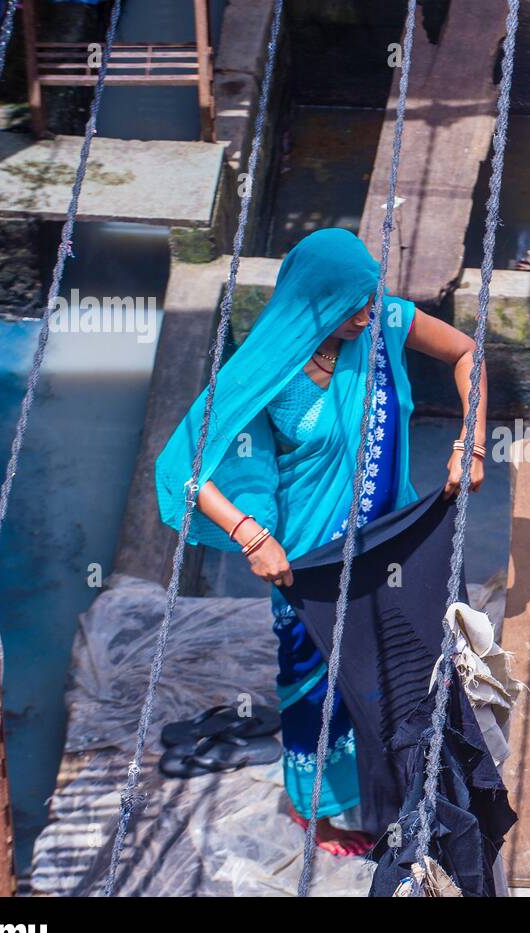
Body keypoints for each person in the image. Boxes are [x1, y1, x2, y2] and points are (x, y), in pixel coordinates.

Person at [156, 229, 486, 856]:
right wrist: (250, 534)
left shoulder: (384, 321)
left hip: (388, 540)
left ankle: (403, 781)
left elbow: (469, 352)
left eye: (371, 297)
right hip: (306, 561)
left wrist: (469, 440)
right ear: (316, 304)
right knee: (316, 683)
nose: (369, 312)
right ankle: (321, 811)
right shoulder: (269, 367)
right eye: (352, 304)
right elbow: (184, 469)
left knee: (398, 660)